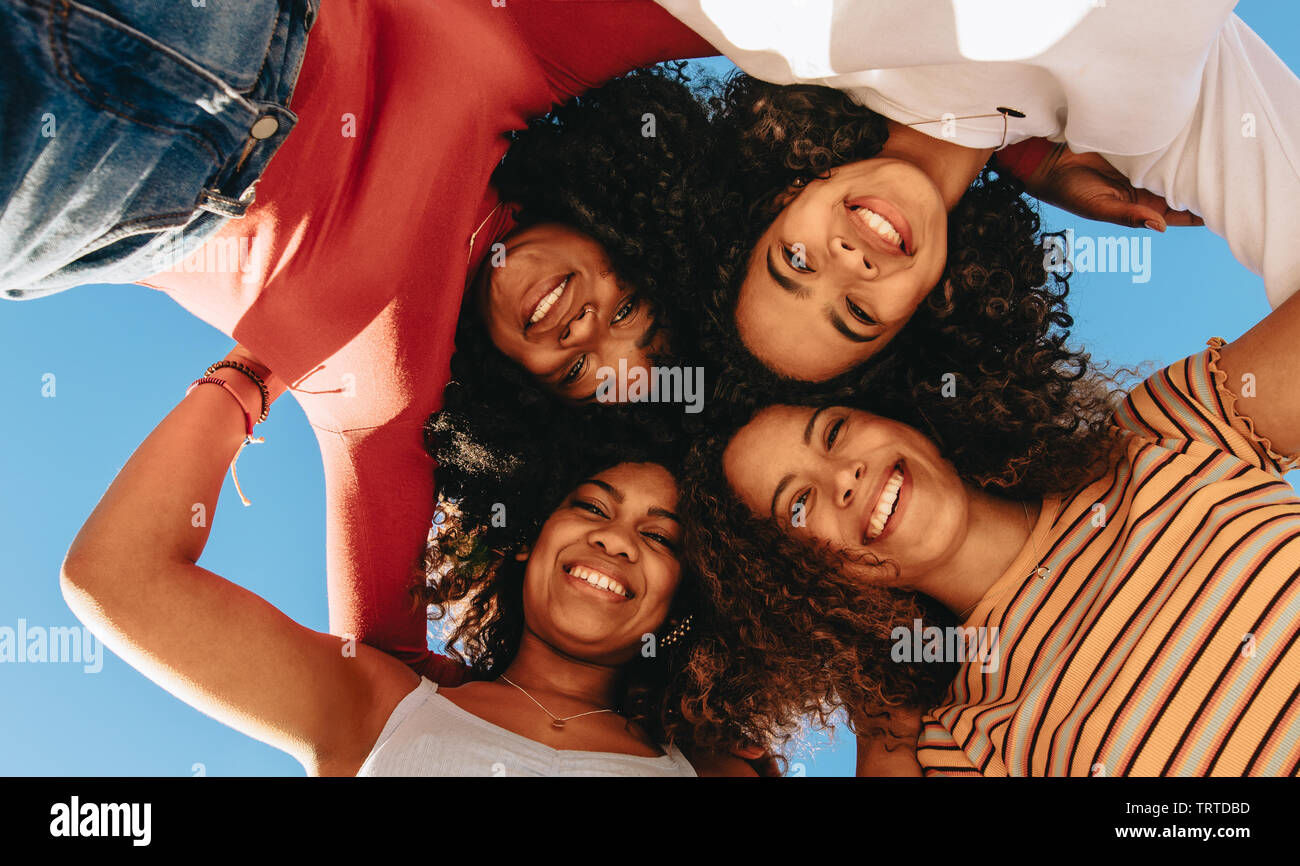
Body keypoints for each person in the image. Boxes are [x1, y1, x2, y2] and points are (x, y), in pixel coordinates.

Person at [682, 278, 1300, 775]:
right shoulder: (964, 743)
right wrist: (878, 699)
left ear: (895, 410)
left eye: (834, 431)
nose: (842, 477)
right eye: (798, 506)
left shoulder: (1162, 435)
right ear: (804, 580)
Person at [57, 345, 760, 776]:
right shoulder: (376, 706)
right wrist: (259, 364)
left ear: (685, 602)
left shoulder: (714, 769)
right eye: (591, 507)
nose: (617, 540)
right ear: (525, 540)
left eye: (661, 538)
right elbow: (120, 576)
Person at [656, 0, 1300, 307]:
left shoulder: (777, 29)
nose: (850, 265)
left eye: (794, 262)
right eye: (856, 313)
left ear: (779, 200)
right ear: (927, 306)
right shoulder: (1138, 129)